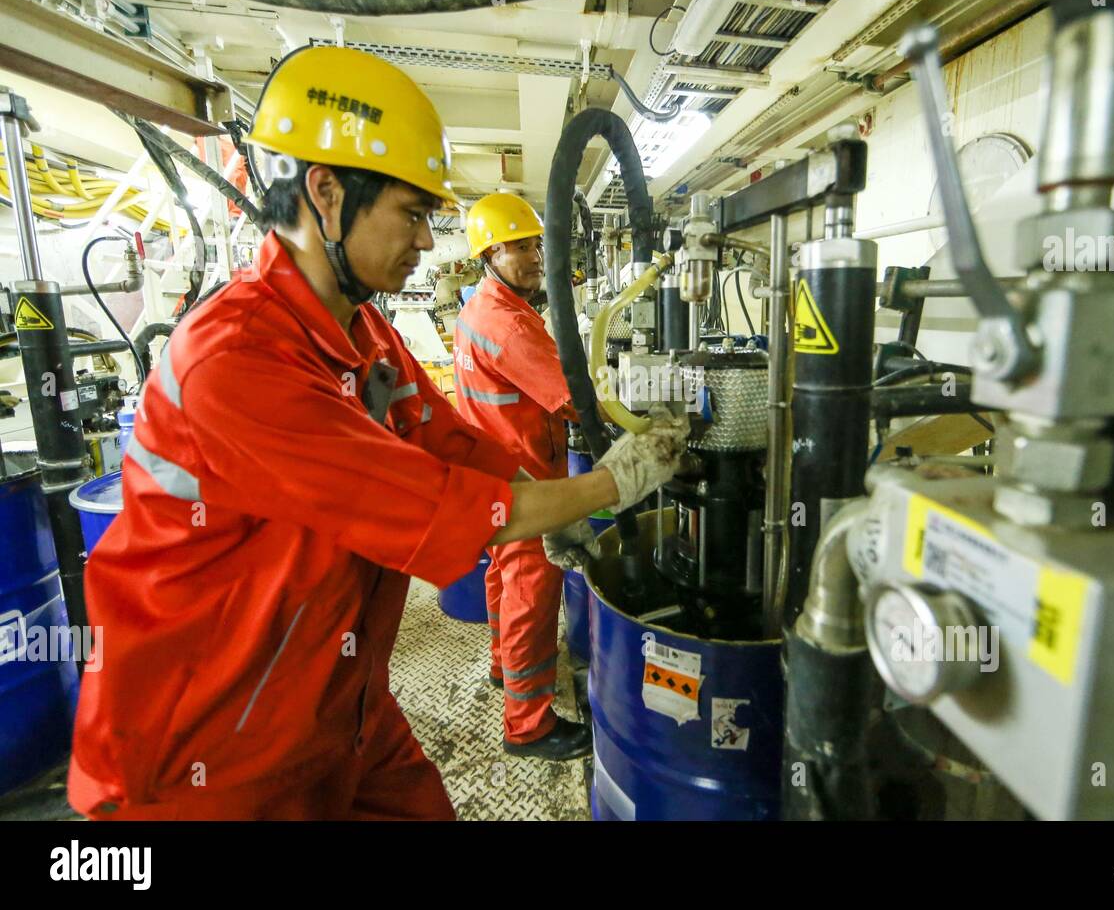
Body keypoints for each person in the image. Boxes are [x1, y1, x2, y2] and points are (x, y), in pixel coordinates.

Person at [66, 45, 687, 821]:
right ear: (326, 193)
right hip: (212, 740)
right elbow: (426, 500)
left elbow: (449, 440)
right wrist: (614, 483)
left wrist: (542, 497)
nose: (429, 242)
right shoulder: (236, 358)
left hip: (335, 695)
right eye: (414, 214)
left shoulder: (361, 332)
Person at [453, 192, 604, 759]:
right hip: (527, 477)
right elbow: (571, 398)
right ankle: (529, 725)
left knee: (501, 577)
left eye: (536, 243)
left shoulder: (477, 309)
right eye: (520, 246)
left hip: (493, 470)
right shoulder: (511, 325)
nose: (535, 255)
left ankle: (503, 668)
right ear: (489, 252)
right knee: (530, 593)